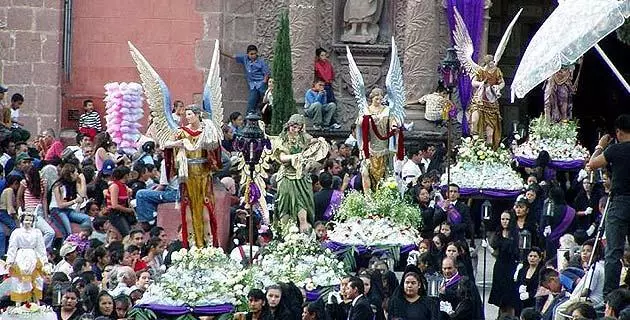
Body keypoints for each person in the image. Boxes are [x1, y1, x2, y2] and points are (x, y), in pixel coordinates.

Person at [163, 105, 222, 248]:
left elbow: (216, 148)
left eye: (189, 114)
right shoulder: (182, 132)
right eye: (186, 114)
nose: (187, 116)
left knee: (206, 213)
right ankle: (192, 244)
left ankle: (209, 244)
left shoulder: (207, 131)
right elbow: (165, 145)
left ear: (197, 115)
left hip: (203, 176)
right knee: (188, 213)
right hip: (188, 176)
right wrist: (179, 143)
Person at [587, 115, 630, 296]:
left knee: (614, 250)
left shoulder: (615, 149)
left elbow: (591, 164)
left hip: (620, 201)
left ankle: (610, 295)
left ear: (618, 132)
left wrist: (600, 146)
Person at [272, 114, 328, 233]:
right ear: (289, 126)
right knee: (285, 205)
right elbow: (281, 157)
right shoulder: (281, 139)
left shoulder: (303, 137)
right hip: (287, 176)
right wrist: (294, 157)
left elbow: (314, 141)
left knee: (303, 204)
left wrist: (320, 141)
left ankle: (305, 231)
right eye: (293, 127)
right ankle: (285, 233)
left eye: (298, 127)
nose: (295, 130)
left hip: (301, 176)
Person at [357, 88, 402, 191]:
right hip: (369, 147)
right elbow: (359, 126)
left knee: (386, 174)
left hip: (384, 146)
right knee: (365, 172)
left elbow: (393, 121)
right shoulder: (366, 110)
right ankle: (368, 198)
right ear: (372, 98)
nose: (379, 101)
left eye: (380, 99)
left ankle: (384, 195)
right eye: (376, 99)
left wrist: (394, 126)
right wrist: (364, 121)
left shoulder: (387, 110)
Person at [5, 211, 48, 303]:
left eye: (30, 220)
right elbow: (12, 247)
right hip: (20, 256)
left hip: (33, 256)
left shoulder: (37, 232)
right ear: (22, 220)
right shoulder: (17, 232)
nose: (28, 222)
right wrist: (9, 261)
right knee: (20, 280)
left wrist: (44, 261)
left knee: (36, 279)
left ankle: (36, 302)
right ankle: (19, 303)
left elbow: (41, 248)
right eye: (26, 220)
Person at [467, 55, 505, 147]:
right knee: (475, 120)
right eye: (490, 63)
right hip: (480, 99)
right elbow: (473, 82)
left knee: (490, 133)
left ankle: (489, 147)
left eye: (493, 62)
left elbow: (502, 83)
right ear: (487, 63)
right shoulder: (480, 71)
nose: (492, 64)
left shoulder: (497, 71)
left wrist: (498, 87)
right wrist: (481, 84)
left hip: (491, 101)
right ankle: (474, 137)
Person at [488, 211, 520, 318]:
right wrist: (488, 248)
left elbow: (517, 252)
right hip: (499, 268)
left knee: (510, 299)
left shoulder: (516, 234)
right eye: (503, 219)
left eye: (507, 219)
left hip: (511, 268)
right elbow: (495, 252)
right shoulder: (498, 233)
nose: (505, 222)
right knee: (500, 299)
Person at [222, 45, 270, 114]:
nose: (253, 55)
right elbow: (233, 56)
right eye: (251, 54)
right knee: (251, 102)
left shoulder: (261, 61)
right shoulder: (245, 58)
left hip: (260, 83)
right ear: (248, 54)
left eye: (255, 53)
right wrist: (221, 52)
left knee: (265, 100)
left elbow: (266, 73)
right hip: (253, 85)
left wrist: (263, 83)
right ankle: (250, 118)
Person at [16, 166, 55, 249]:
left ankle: (39, 249)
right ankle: (36, 248)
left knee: (48, 232)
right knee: (50, 232)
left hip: (39, 211)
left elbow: (44, 199)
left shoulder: (43, 183)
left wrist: (46, 216)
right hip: (29, 212)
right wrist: (20, 211)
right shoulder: (24, 183)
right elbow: (19, 197)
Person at [49, 163, 92, 238]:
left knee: (86, 218)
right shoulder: (58, 186)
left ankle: (82, 237)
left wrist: (83, 180)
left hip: (68, 210)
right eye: (76, 172)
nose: (77, 174)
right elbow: (60, 205)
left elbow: (83, 194)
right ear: (71, 174)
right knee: (68, 232)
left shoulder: (73, 184)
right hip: (57, 210)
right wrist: (74, 201)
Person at [514, 247, 543, 314]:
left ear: (540, 258)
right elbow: (517, 284)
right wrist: (519, 289)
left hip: (534, 303)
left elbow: (541, 288)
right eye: (530, 256)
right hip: (521, 302)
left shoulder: (541, 271)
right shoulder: (522, 270)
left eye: (535, 256)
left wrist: (529, 294)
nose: (532, 258)